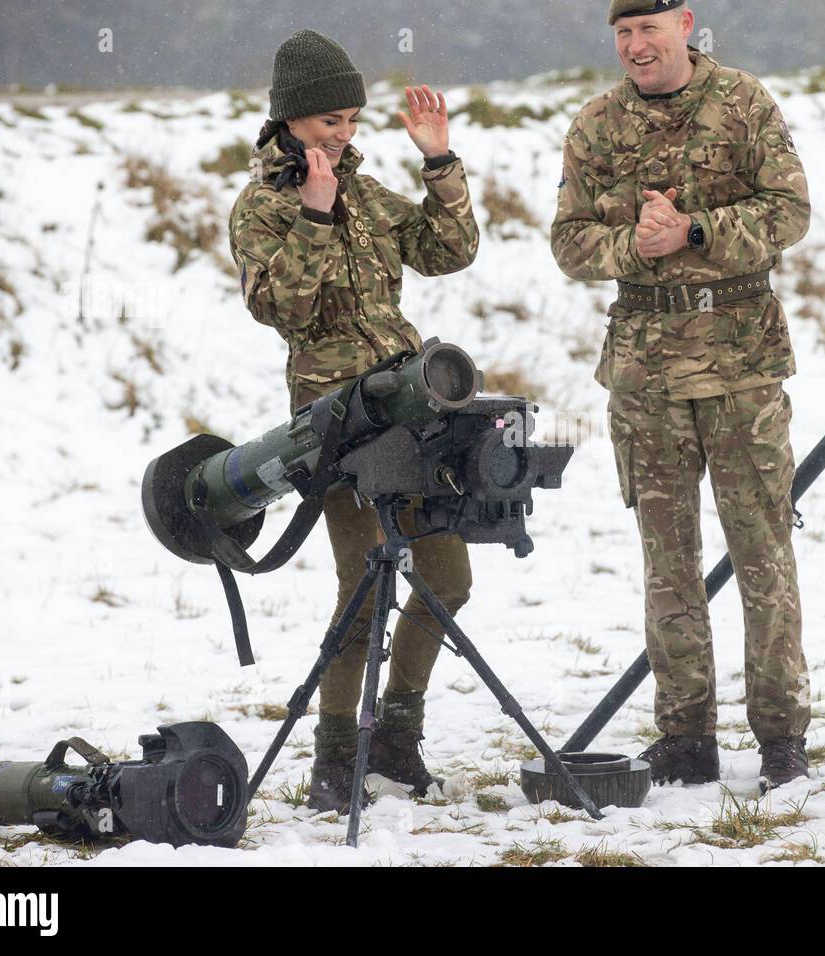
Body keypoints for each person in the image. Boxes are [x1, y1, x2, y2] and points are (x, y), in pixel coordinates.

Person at [550, 0, 813, 792]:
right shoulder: (595, 124)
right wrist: (635, 242)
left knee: (763, 553)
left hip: (740, 367)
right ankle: (686, 737)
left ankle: (780, 738)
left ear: (686, 24)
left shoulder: (743, 101)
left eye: (650, 29)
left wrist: (694, 231)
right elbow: (568, 240)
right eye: (623, 33)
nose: (636, 45)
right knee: (667, 562)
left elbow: (790, 212)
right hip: (645, 375)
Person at [227, 29, 479, 812]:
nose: (341, 134)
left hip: (413, 404)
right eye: (328, 119)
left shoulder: (369, 193)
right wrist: (312, 214)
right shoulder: (261, 206)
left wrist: (439, 164)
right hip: (333, 421)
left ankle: (397, 737)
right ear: (290, 120)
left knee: (446, 577)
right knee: (362, 585)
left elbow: (451, 251)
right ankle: (336, 758)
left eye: (352, 120)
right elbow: (281, 310)